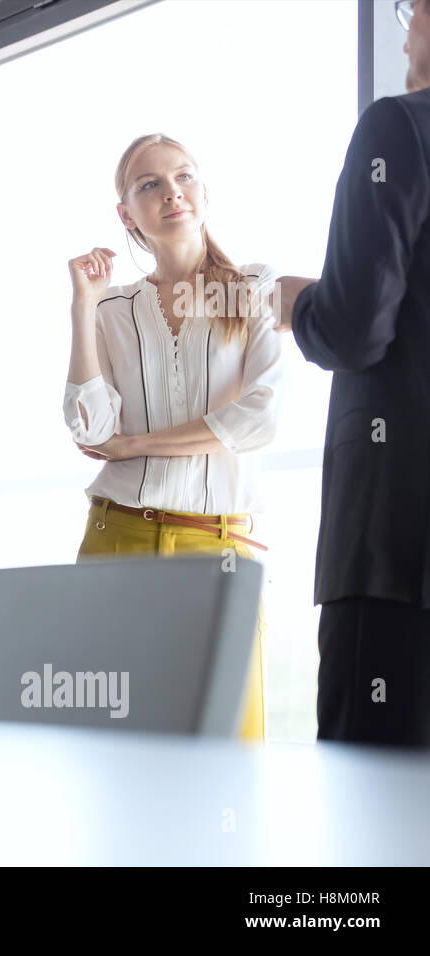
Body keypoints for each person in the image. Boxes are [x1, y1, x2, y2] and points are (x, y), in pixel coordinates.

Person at [63, 134, 284, 741]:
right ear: (125, 213)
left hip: (219, 551)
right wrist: (83, 307)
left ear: (205, 192)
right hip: (118, 537)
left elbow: (262, 419)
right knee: (112, 753)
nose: (171, 193)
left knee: (228, 754)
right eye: (149, 185)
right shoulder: (112, 309)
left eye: (183, 177)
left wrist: (140, 445)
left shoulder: (255, 287)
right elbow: (90, 425)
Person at [272, 0, 430, 745]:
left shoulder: (397, 127)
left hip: (396, 558)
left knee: (372, 814)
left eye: (413, 7)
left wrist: (300, 304)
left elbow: (357, 328)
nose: (407, 23)